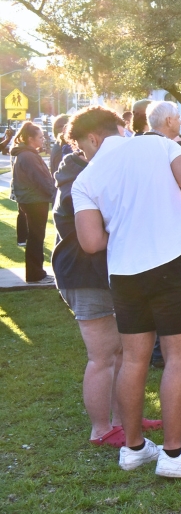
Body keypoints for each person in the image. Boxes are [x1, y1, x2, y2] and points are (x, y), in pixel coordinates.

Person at [69, 106, 181, 478]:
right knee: (177, 359)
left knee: (134, 359)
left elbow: (90, 242)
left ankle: (133, 447)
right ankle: (173, 454)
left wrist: (124, 232)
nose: (82, 155)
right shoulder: (158, 146)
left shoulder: (85, 179)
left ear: (93, 137)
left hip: (124, 271)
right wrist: (177, 222)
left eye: (81, 148)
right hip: (170, 263)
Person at [53, 128, 164, 447]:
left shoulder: (90, 170)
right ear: (93, 139)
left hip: (108, 273)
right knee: (102, 356)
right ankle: (101, 430)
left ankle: (123, 419)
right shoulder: (78, 177)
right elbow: (86, 228)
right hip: (86, 275)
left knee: (120, 353)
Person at [10, 121, 57, 284]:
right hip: (34, 201)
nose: (43, 139)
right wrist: (53, 195)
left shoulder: (27, 154)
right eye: (40, 137)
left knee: (36, 237)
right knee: (36, 238)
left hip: (32, 200)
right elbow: (41, 179)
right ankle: (36, 274)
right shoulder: (28, 156)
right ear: (30, 138)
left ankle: (37, 273)